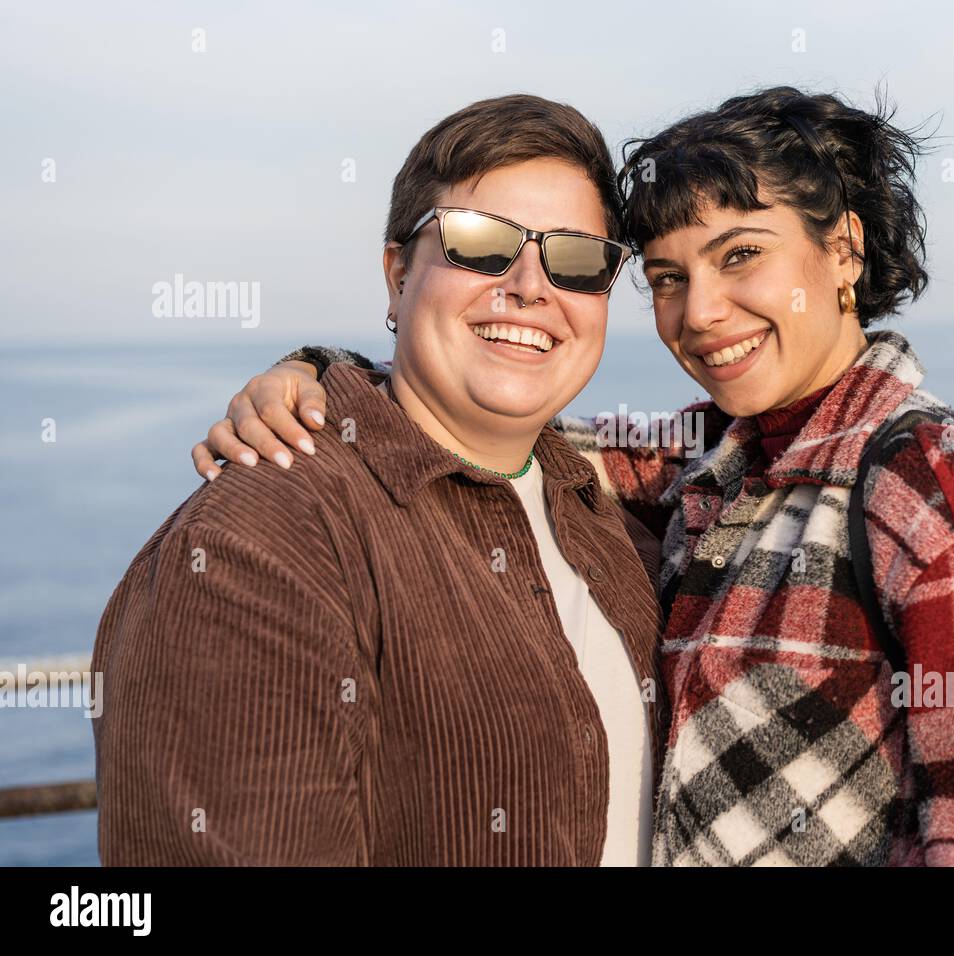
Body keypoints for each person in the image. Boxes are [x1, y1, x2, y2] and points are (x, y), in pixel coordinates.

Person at [192, 86, 954, 866]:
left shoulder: (940, 493)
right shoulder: (709, 461)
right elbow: (489, 426)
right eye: (664, 276)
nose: (699, 313)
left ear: (842, 250)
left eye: (740, 254)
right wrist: (323, 377)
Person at [93, 94, 666, 866]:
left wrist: (313, 363)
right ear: (397, 274)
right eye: (478, 243)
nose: (531, 285)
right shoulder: (261, 540)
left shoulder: (616, 508)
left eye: (577, 258)